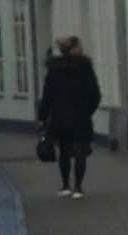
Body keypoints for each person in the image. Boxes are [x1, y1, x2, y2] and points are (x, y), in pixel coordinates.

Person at [39, 33, 105, 197]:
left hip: (59, 117)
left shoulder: (54, 70)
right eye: (79, 46)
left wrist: (43, 116)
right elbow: (95, 94)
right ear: (74, 49)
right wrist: (87, 111)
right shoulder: (84, 68)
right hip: (80, 117)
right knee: (80, 151)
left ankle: (65, 185)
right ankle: (78, 187)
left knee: (64, 151)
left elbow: (47, 96)